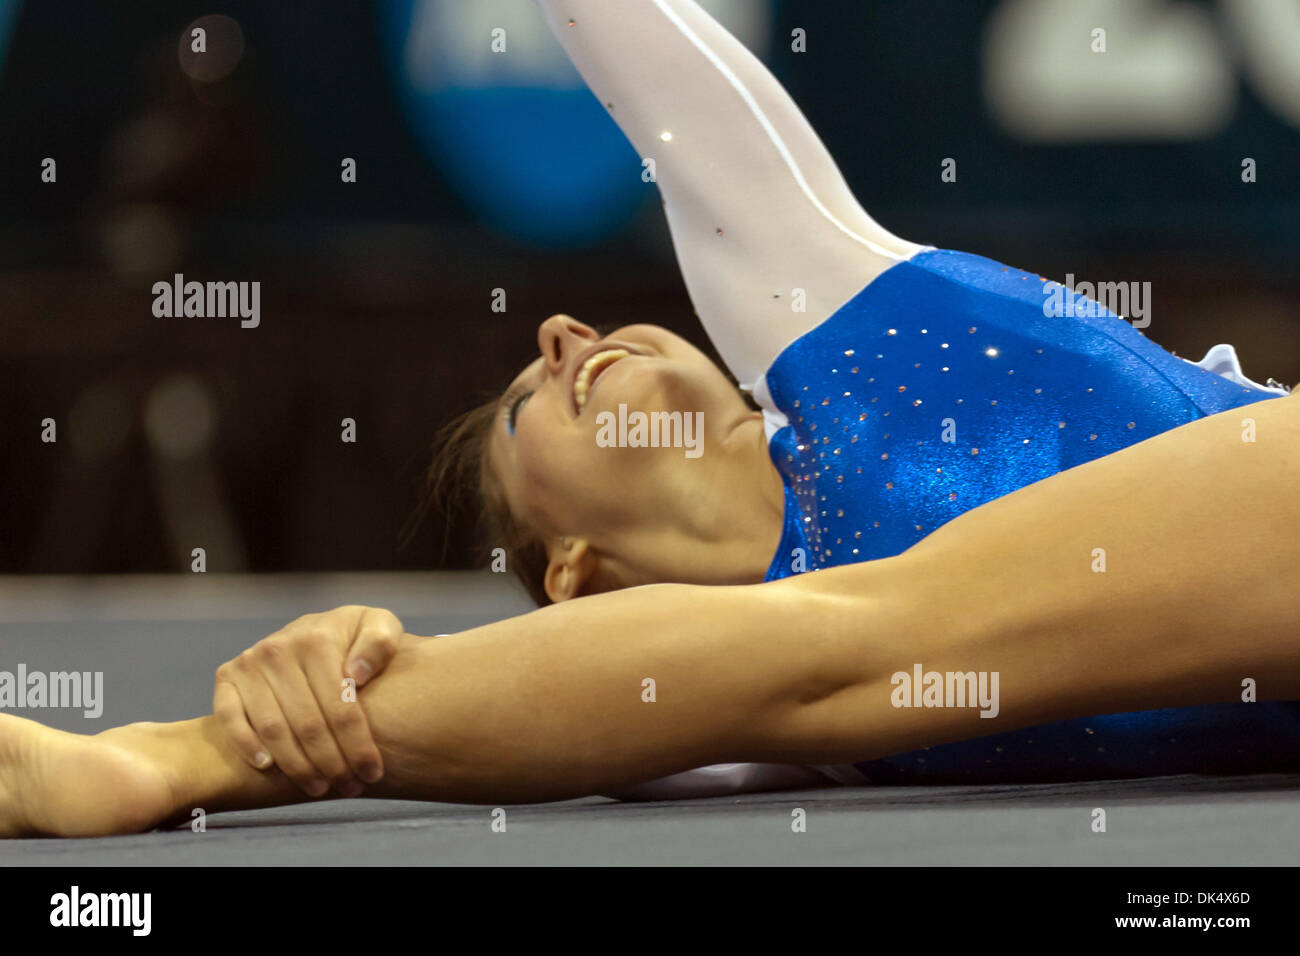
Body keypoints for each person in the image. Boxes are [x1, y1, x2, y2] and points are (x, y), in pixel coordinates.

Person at [2, 0, 1298, 837]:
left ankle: (166, 761)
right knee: (840, 650)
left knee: (878, 634)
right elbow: (618, 703)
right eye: (523, 410)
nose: (561, 337)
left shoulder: (840, 320)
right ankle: (162, 763)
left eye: (568, 338)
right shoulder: (725, 737)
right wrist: (349, 662)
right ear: (571, 574)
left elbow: (635, 46)